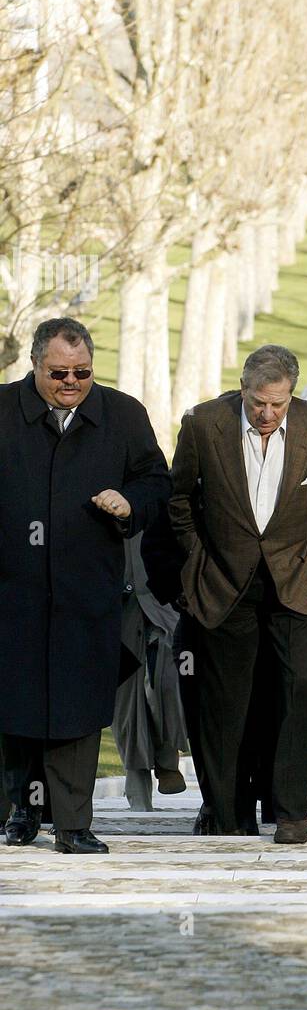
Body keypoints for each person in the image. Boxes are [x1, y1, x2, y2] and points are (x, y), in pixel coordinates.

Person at [168, 344, 307, 842]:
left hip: (299, 579)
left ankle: (292, 813)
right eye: (258, 403)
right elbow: (179, 498)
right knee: (227, 701)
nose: (267, 414)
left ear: (291, 394)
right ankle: (226, 814)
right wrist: (197, 558)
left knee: (304, 690)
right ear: (243, 388)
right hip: (226, 582)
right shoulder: (204, 424)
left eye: (278, 403)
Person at [0, 317, 170, 854]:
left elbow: (156, 482)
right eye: (59, 373)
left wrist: (130, 504)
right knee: (14, 705)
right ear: (34, 365)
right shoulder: (3, 411)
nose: (71, 382)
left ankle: (73, 825)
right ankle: (19, 813)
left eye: (82, 372)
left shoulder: (123, 414)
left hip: (85, 592)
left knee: (76, 708)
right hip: (13, 593)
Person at [113, 533, 189, 810]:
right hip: (117, 613)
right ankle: (138, 799)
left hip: (164, 608)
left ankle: (167, 757)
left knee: (165, 685)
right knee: (126, 705)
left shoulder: (159, 494)